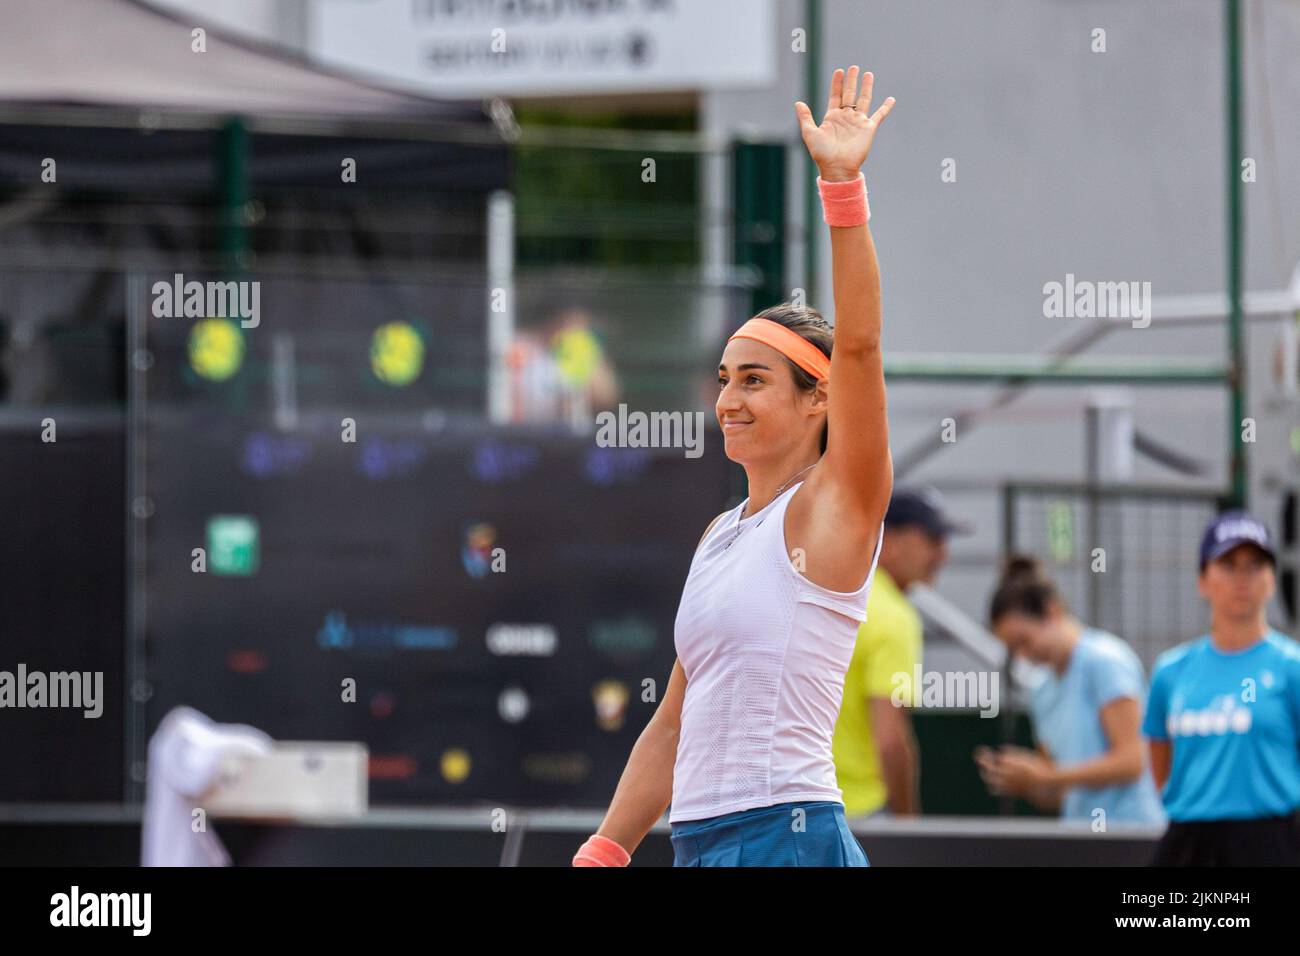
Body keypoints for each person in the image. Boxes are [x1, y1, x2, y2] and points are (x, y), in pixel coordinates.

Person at [571, 65, 896, 867]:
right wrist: (608, 849)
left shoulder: (834, 507)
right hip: (702, 843)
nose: (728, 400)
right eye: (723, 380)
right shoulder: (721, 533)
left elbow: (857, 347)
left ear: (819, 400)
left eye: (754, 380)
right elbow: (676, 720)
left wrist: (842, 190)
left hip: (788, 834)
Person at [1142, 511, 1300, 865]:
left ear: (1272, 579)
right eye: (1228, 564)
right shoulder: (1172, 671)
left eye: (1255, 565)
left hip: (1269, 841)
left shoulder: (1291, 667)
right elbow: (1160, 764)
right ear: (1202, 580)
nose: (1242, 578)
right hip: (1189, 840)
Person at [975, 557, 1165, 826]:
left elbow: (1132, 761)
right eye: (1014, 649)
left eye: (1024, 641)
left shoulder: (1106, 661)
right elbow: (1057, 792)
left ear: (1052, 611)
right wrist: (1025, 780)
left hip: (1131, 833)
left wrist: (1047, 776)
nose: (1024, 655)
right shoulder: (1040, 690)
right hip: (1080, 836)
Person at [832, 487, 970, 819]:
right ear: (888, 541)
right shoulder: (894, 618)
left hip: (800, 805)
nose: (943, 555)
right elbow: (890, 739)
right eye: (933, 540)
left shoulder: (832, 594)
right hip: (860, 813)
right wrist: (907, 823)